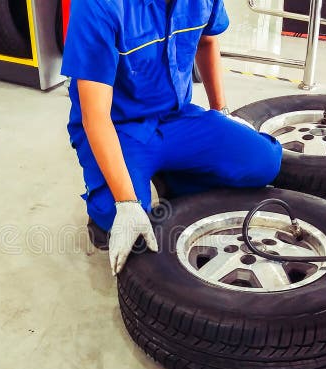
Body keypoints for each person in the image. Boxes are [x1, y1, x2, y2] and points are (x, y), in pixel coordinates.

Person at [62, 0, 283, 275]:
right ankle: (129, 194)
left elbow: (206, 43)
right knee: (114, 215)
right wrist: (127, 204)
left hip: (177, 118)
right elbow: (95, 117)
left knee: (263, 161)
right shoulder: (99, 5)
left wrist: (220, 111)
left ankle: (174, 177)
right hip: (121, 129)